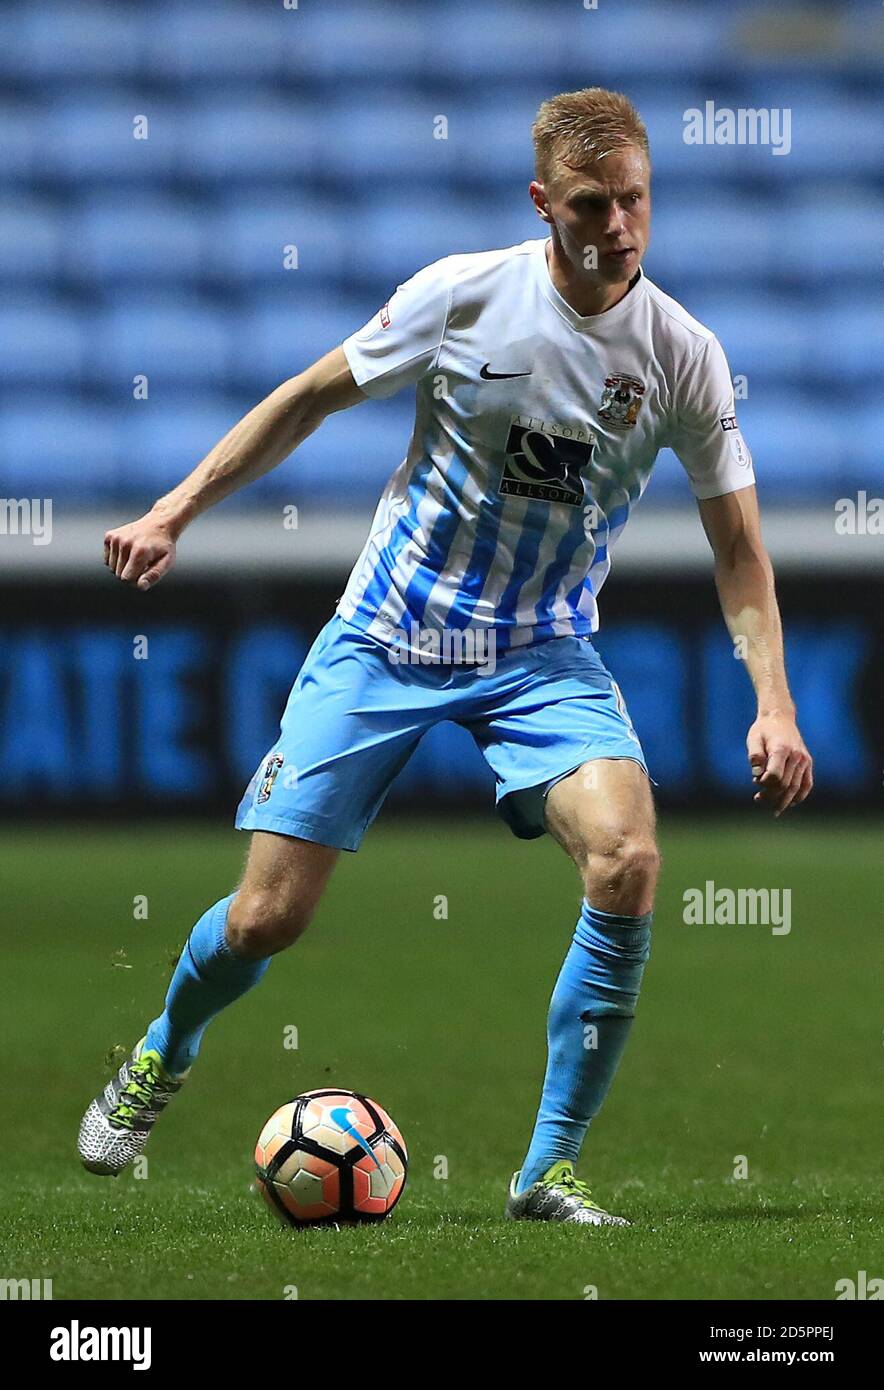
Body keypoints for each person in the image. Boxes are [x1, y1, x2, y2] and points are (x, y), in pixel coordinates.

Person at [78, 88, 812, 1225]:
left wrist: (773, 704)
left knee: (625, 858)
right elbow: (308, 398)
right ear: (540, 203)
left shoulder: (681, 355)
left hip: (539, 649)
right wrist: (176, 508)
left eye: (633, 201)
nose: (616, 226)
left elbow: (739, 547)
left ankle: (546, 1174)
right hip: (388, 632)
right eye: (588, 203)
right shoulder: (464, 295)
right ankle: (160, 1053)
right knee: (267, 918)